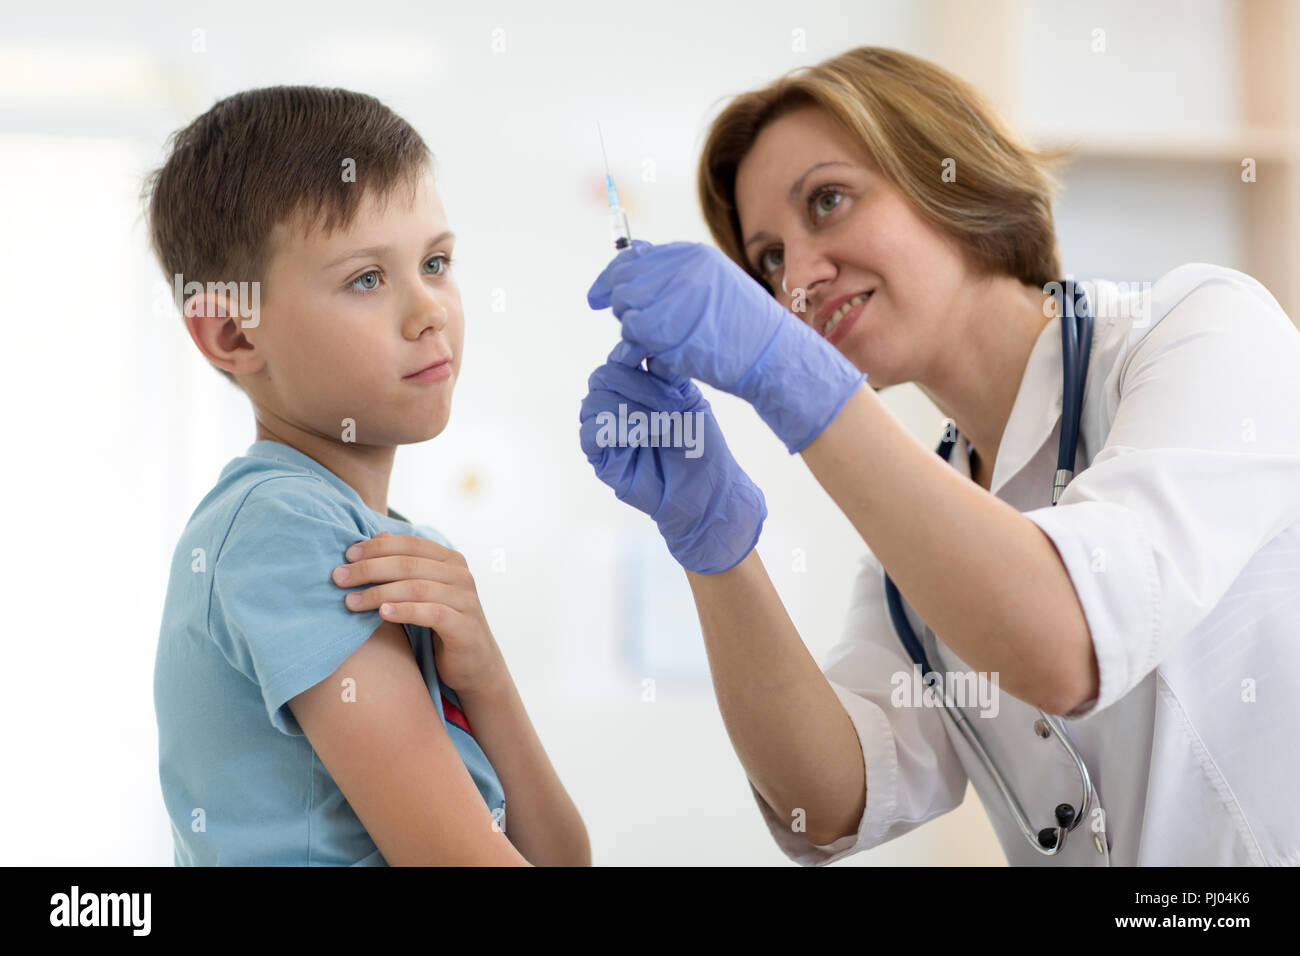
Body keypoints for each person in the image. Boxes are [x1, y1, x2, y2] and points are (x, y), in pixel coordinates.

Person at [579, 46, 1300, 865]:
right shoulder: (918, 552)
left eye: (829, 200)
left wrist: (794, 381)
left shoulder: (1202, 331)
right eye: (769, 258)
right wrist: (712, 541)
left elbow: (1062, 645)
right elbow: (830, 799)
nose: (799, 281)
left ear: (949, 176)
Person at [148, 86, 588, 866]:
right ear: (231, 331)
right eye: (366, 279)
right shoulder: (287, 530)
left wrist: (484, 674)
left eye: (436, 263)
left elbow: (560, 859)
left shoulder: (392, 542)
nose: (430, 312)